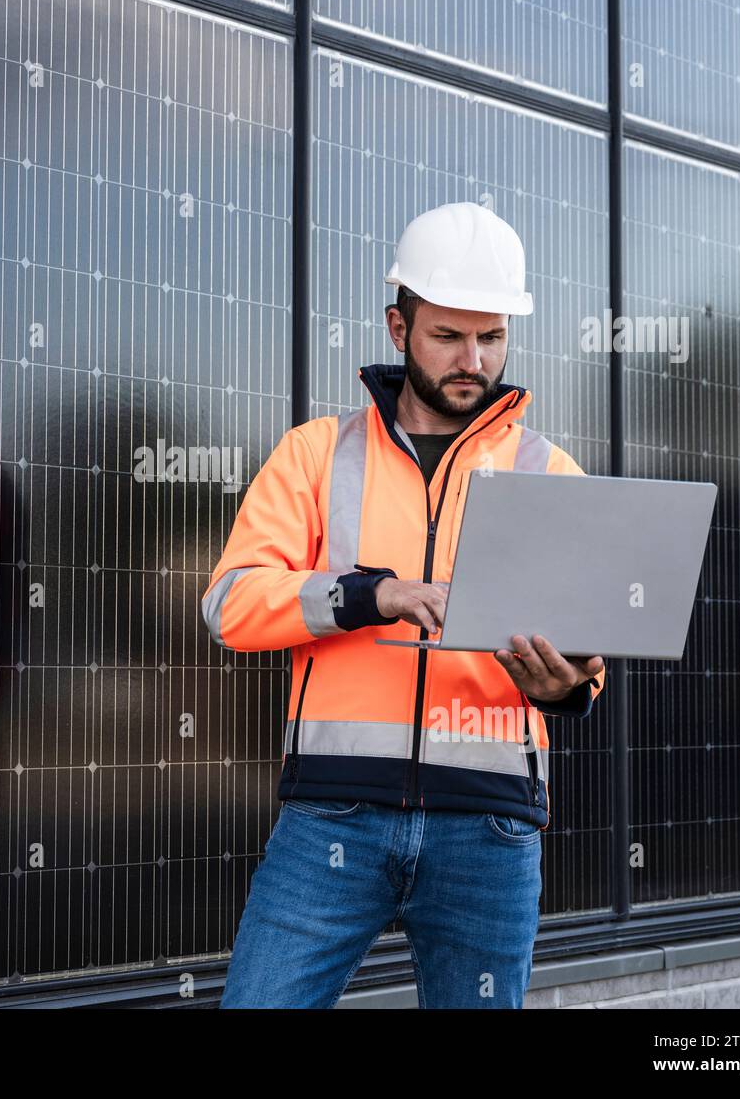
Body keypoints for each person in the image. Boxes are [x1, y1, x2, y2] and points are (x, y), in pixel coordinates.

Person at [202, 201, 606, 1008]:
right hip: (333, 815)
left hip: (489, 829)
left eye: (490, 337)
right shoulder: (317, 454)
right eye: (448, 335)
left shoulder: (548, 469)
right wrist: (368, 595)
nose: (473, 358)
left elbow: (586, 657)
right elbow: (231, 604)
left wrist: (564, 688)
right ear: (398, 328)